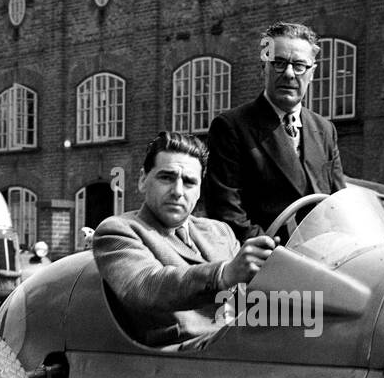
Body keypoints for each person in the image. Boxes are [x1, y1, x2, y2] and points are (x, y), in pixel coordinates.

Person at [93, 131, 276, 347]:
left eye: (189, 182)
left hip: (241, 345)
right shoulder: (117, 230)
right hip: (182, 357)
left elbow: (254, 297)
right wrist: (222, 275)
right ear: (143, 180)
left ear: (199, 190)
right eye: (166, 177)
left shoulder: (220, 232)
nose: (178, 191)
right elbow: (145, 285)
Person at [203, 21, 345, 242]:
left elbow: (339, 202)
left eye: (299, 65)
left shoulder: (325, 129)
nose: (289, 73)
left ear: (312, 73)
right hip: (269, 261)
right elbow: (227, 212)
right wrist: (277, 254)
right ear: (263, 68)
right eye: (279, 63)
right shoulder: (232, 127)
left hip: (325, 257)